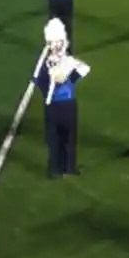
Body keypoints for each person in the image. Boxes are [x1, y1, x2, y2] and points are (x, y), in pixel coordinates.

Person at [32, 19, 91, 178]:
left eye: (60, 42)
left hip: (69, 104)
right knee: (54, 138)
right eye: (54, 43)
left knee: (70, 137)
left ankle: (70, 167)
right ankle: (54, 169)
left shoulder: (68, 61)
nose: (58, 46)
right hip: (53, 105)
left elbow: (85, 69)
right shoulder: (45, 63)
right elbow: (37, 79)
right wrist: (51, 78)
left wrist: (69, 71)